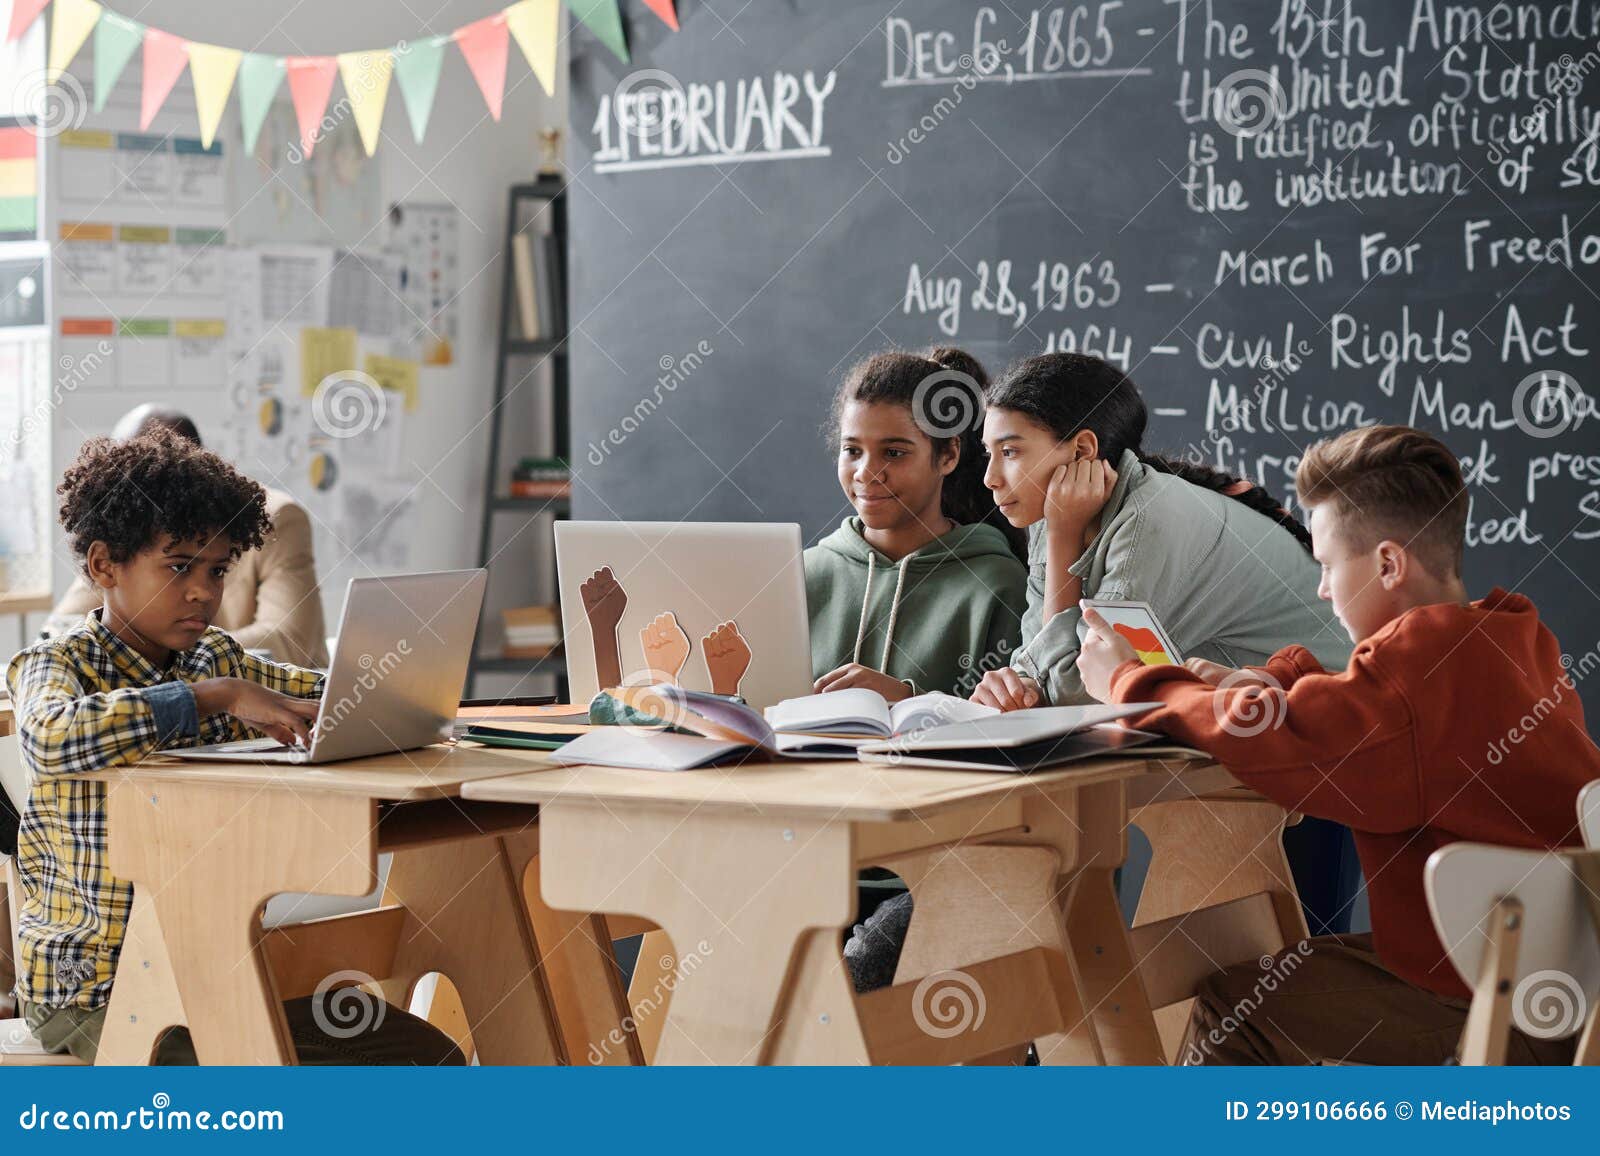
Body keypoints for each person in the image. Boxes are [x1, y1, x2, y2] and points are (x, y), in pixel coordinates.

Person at [1077, 425, 1600, 1065]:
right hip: (1567, 987)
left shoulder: (1412, 678)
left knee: (1235, 1003)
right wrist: (1272, 682)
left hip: (1500, 1010)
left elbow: (1286, 740)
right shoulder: (1510, 638)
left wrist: (1129, 679)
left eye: (1327, 565)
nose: (1322, 589)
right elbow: (1377, 714)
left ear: (1387, 563)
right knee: (1263, 972)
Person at [7, 430, 459, 1064]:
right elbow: (51, 737)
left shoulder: (212, 656)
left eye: (217, 569)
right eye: (178, 566)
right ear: (105, 566)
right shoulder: (57, 664)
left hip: (218, 973)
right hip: (94, 993)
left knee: (425, 1054)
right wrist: (211, 698)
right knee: (259, 1075)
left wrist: (411, 689)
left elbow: (324, 691)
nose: (203, 590)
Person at [971, 352, 1349, 712]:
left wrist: (1062, 539)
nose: (989, 479)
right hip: (1237, 719)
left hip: (1322, 719)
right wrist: (1013, 686)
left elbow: (1082, 695)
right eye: (989, 454)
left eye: (1010, 453)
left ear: (1083, 450)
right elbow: (1045, 666)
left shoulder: (1148, 519)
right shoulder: (1051, 512)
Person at [805, 347, 1026, 701]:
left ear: (948, 455)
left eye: (893, 453)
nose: (865, 473)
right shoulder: (803, 575)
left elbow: (1014, 728)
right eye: (852, 451)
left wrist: (907, 699)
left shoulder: (999, 585)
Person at [43, 405, 328, 668]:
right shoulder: (126, 526)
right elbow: (61, 630)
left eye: (218, 571)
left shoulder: (271, 517)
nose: (203, 591)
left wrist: (176, 661)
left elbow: (289, 642)